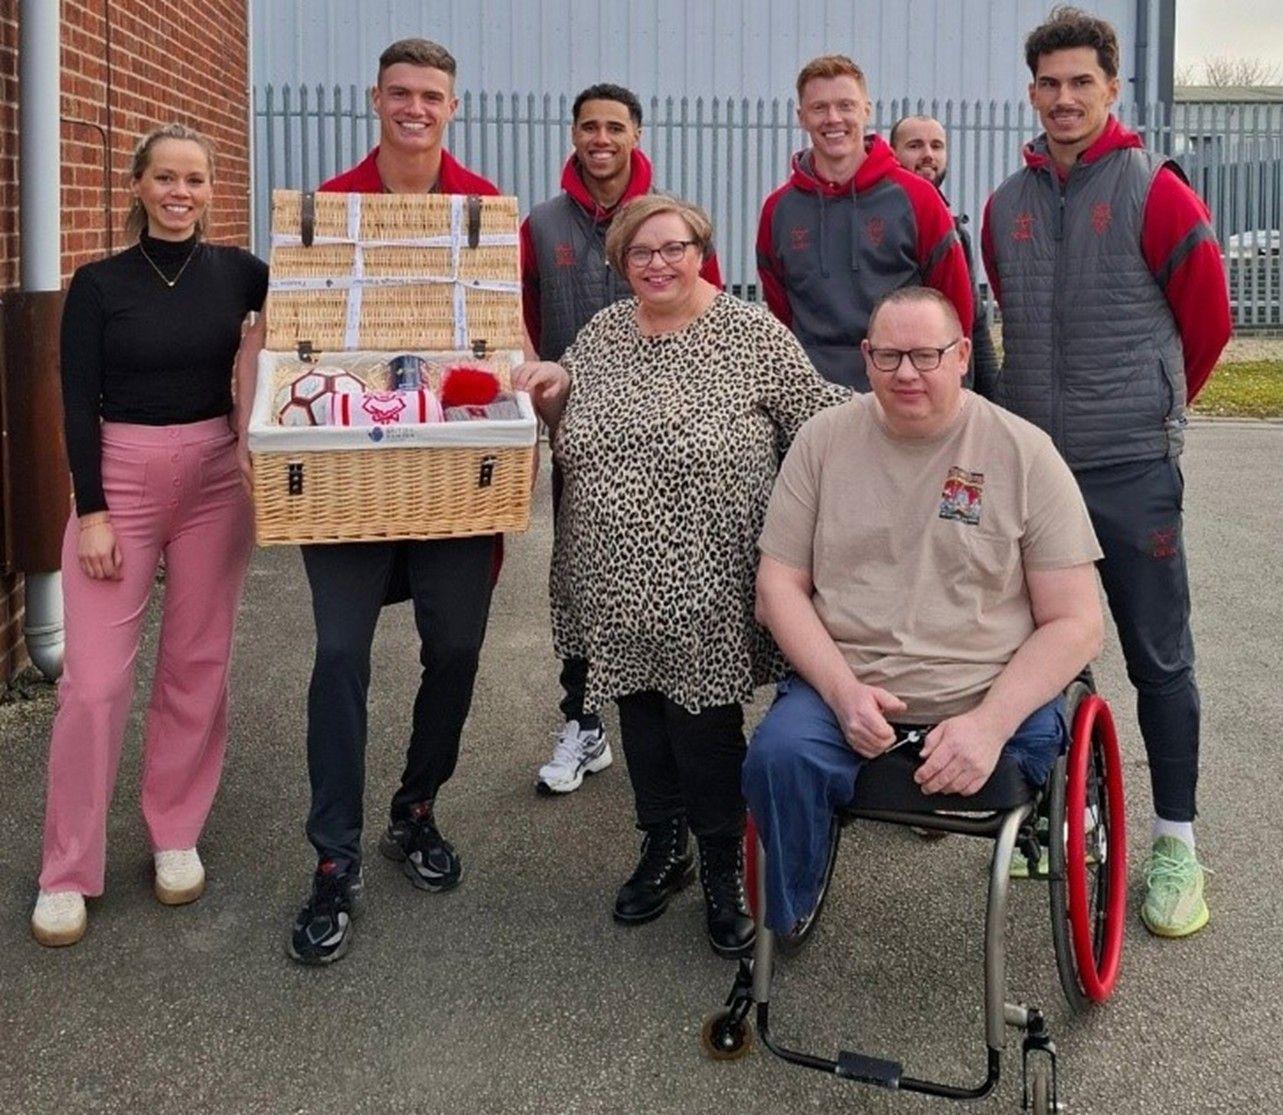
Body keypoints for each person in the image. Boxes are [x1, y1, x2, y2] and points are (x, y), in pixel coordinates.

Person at [515, 195, 848, 958]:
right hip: (610, 573)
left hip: (708, 578)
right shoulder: (601, 334)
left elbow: (819, 417)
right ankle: (663, 845)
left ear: (700, 251)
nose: (657, 264)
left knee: (702, 727)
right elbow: (569, 422)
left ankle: (723, 868)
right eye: (640, 252)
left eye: (673, 248)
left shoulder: (748, 334)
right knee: (637, 712)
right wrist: (552, 396)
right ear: (619, 262)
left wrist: (908, 418)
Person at [741, 287, 1104, 938]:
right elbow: (778, 589)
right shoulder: (822, 443)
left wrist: (989, 724)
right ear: (865, 356)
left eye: (926, 355)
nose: (905, 372)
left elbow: (1076, 623)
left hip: (986, 694)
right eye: (888, 355)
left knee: (1024, 744)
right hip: (846, 687)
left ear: (962, 355)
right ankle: (787, 912)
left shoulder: (1024, 453)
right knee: (775, 757)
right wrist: (842, 693)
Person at [981, 7, 1232, 938]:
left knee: (1158, 657)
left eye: (1080, 81)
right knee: (1047, 653)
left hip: (1129, 467)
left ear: (1112, 88)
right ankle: (1069, 812)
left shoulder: (1153, 190)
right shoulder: (1004, 205)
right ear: (1030, 92)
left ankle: (1175, 842)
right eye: (1048, 83)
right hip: (1036, 471)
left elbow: (1207, 323)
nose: (1063, 98)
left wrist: (1149, 409)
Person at [281, 38, 501, 966]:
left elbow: (502, 340)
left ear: (453, 106)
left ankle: (415, 807)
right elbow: (293, 340)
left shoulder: (485, 209)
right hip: (348, 476)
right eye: (400, 92)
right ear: (375, 98)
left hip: (452, 478)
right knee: (339, 656)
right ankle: (333, 856)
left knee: (455, 649)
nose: (415, 108)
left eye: (431, 95)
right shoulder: (325, 209)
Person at [31, 124, 267, 947]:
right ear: (137, 185)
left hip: (214, 479)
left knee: (197, 663)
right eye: (164, 177)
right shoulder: (98, 285)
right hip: (120, 482)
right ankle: (66, 868)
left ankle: (175, 829)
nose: (180, 192)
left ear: (211, 189)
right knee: (93, 683)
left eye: (194, 179)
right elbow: (76, 401)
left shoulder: (240, 273)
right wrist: (91, 509)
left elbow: (312, 310)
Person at [520, 82, 723, 796]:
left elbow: (710, 311)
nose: (600, 139)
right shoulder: (542, 224)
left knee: (667, 578)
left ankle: (671, 713)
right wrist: (545, 402)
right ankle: (582, 720)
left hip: (672, 440)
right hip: (583, 433)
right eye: (589, 127)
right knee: (581, 579)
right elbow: (522, 317)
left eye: (614, 127)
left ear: (636, 133)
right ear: (573, 134)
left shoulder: (670, 220)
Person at [756, 54, 973, 389]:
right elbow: (782, 313)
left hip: (902, 389)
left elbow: (954, 306)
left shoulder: (918, 198)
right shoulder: (778, 211)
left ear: (866, 110)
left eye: (846, 105)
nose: (833, 118)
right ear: (801, 117)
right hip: (812, 395)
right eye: (819, 108)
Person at [889, 114, 1000, 398]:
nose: (928, 154)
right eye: (915, 145)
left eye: (937, 146)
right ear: (892, 154)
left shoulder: (955, 232)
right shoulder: (883, 226)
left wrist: (993, 400)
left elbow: (974, 324)